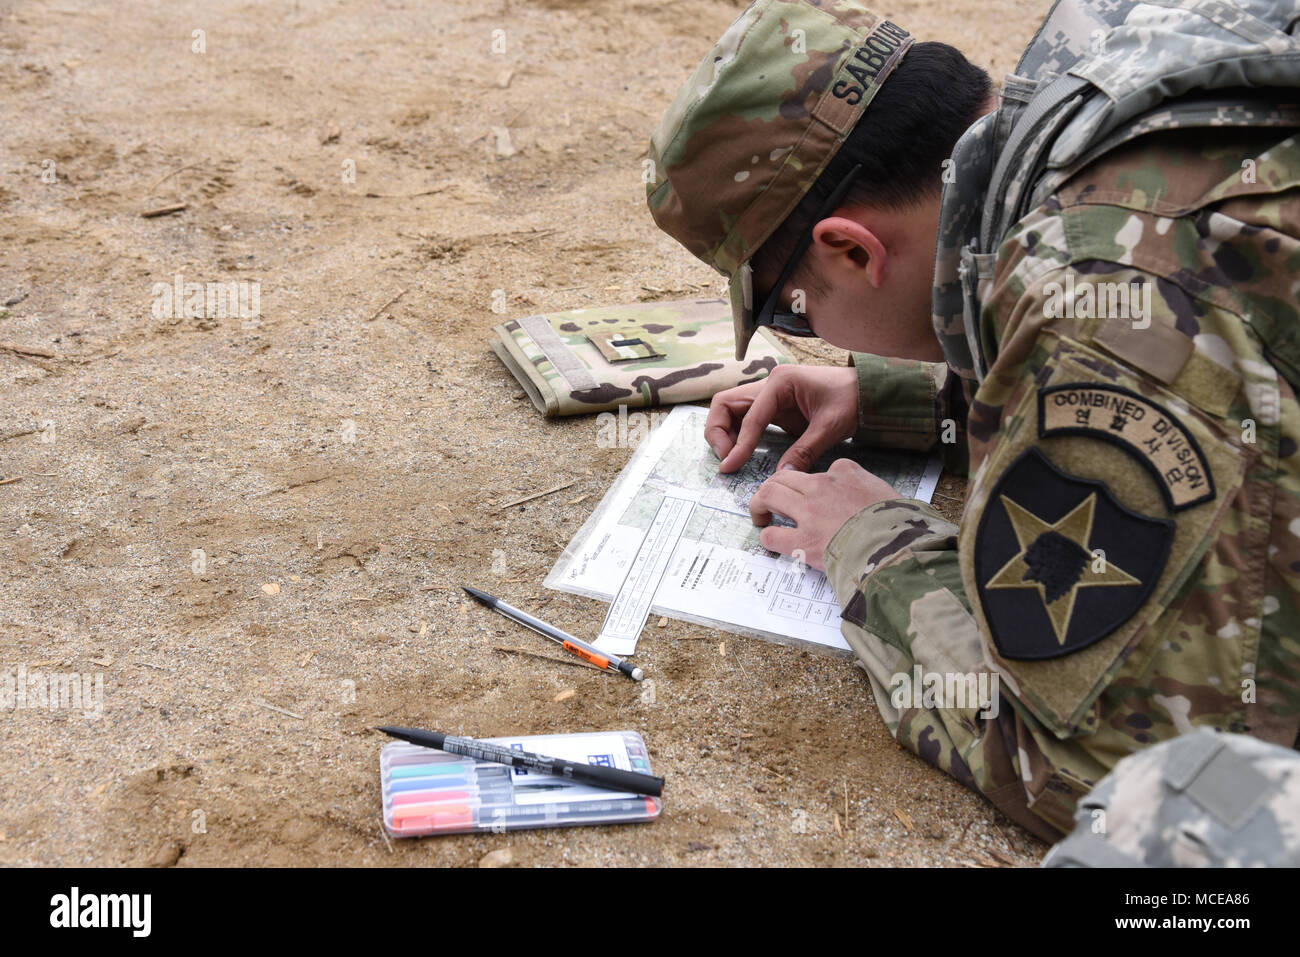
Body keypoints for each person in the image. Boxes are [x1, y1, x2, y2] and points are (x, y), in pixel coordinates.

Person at [645, 0, 1300, 840]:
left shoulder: (1108, 287)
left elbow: (1104, 775)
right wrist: (921, 397)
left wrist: (872, 544)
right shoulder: (1107, 81)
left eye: (794, 313)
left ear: (852, 249)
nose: (802, 335)